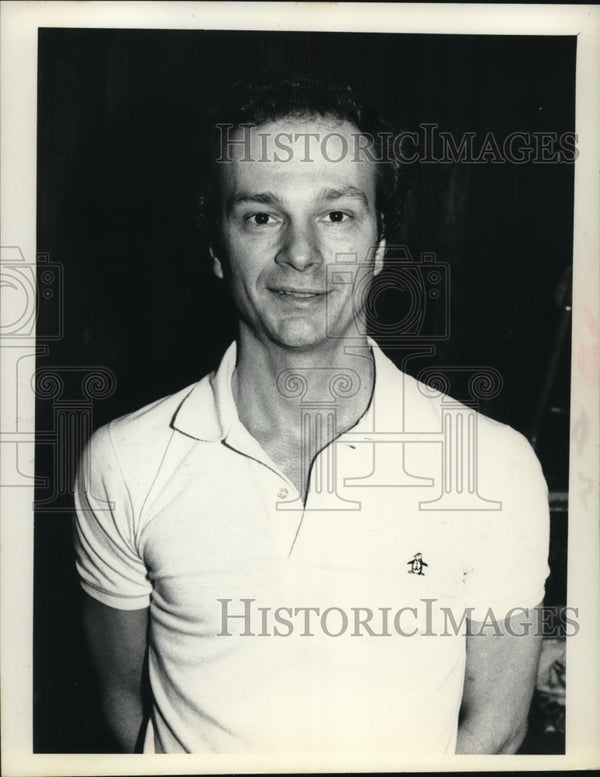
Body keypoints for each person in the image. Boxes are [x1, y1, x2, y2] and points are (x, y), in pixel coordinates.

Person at [73, 74, 550, 756]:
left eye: (337, 215)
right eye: (262, 215)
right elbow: (126, 704)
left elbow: (496, 729)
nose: (301, 253)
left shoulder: (493, 466)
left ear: (381, 244)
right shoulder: (123, 460)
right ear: (216, 246)